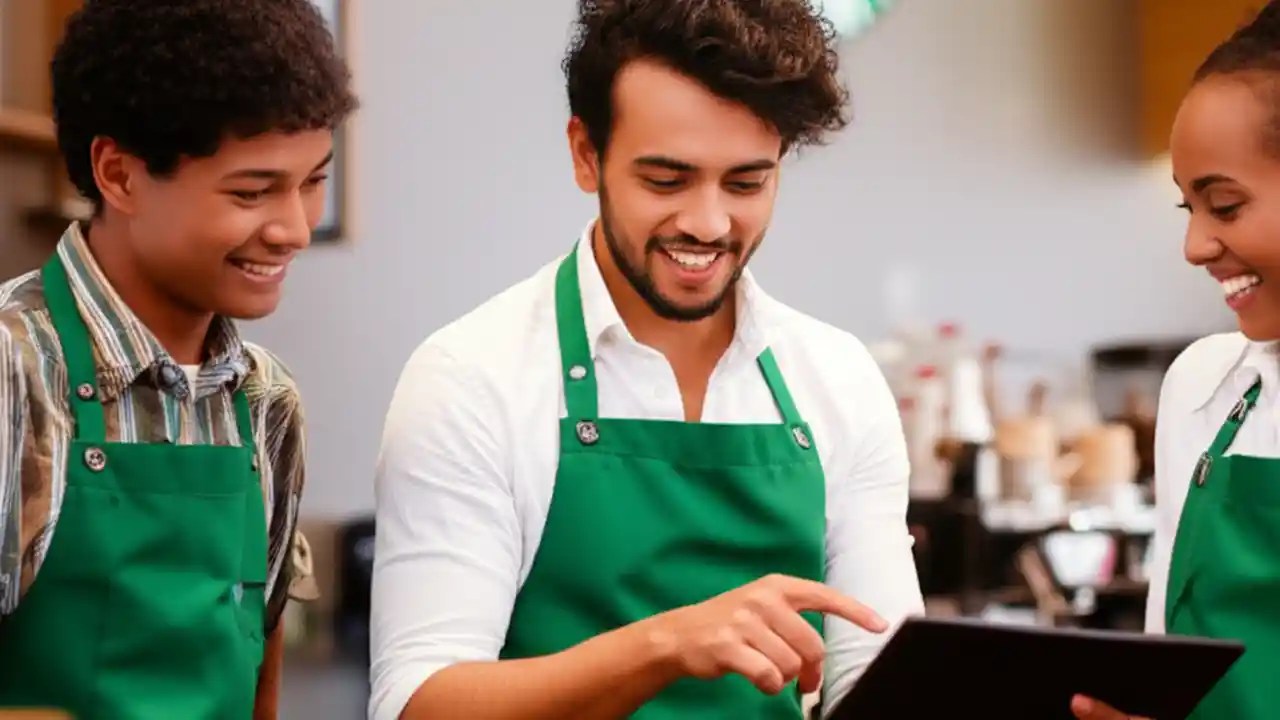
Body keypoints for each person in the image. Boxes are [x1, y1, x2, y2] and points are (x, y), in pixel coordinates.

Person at [368, 1, 924, 718]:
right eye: (666, 180)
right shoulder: (472, 379)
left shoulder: (838, 379)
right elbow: (418, 705)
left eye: (746, 183)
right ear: (585, 153)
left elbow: (878, 681)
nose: (708, 223)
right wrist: (664, 645)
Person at [0, 1, 356, 718]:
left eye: (313, 180)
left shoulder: (267, 400)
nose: (293, 228)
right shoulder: (17, 372)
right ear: (119, 174)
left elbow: (262, 656)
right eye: (252, 192)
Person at [1073, 3, 1280, 719]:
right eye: (1186, 209)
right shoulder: (1205, 386)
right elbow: (1167, 673)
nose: (1194, 247)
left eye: (1224, 206)